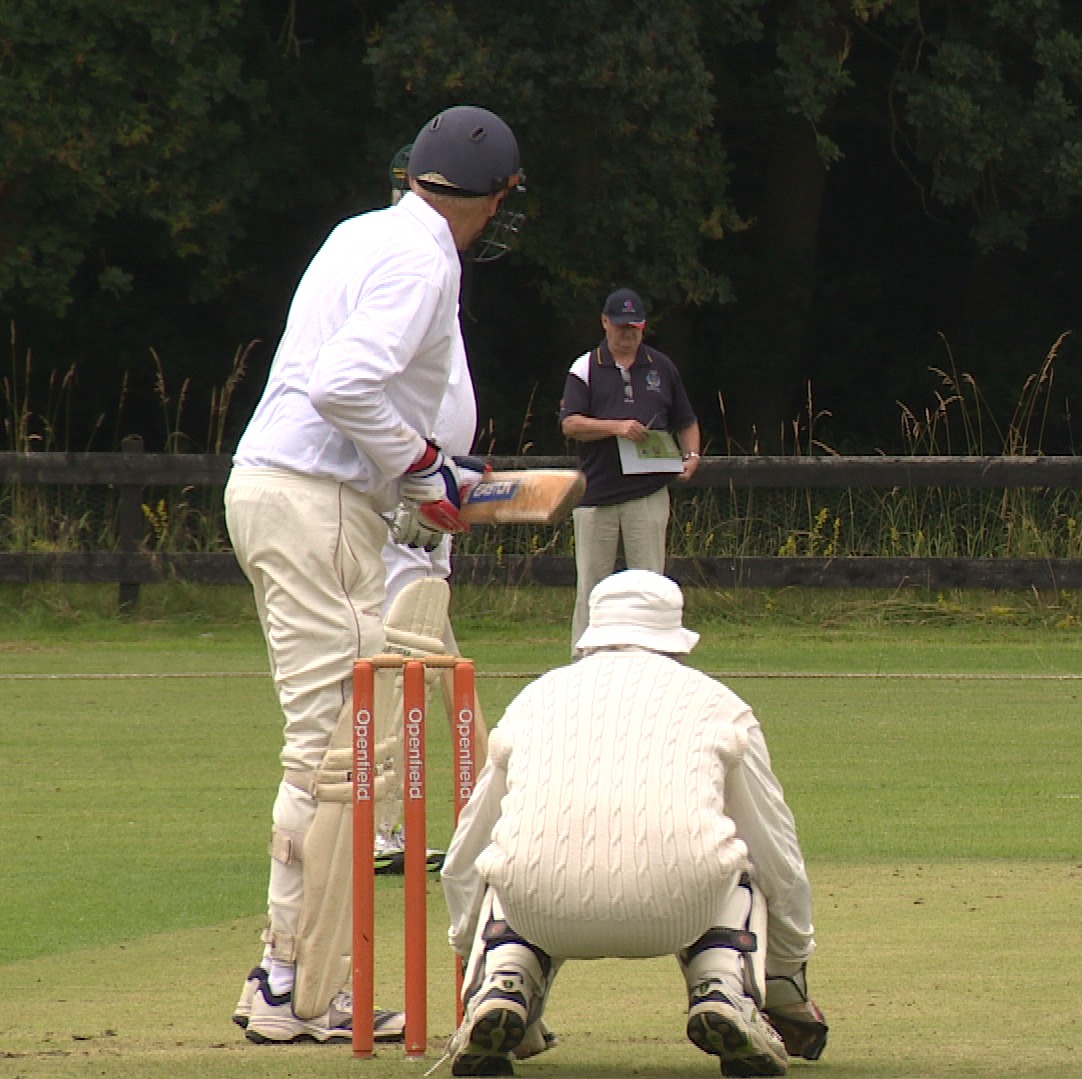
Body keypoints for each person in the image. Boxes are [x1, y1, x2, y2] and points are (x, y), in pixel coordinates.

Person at [224, 104, 523, 1044]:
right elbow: (344, 383)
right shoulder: (425, 260)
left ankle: (287, 978)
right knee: (336, 753)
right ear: (496, 196)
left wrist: (431, 473)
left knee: (334, 748)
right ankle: (295, 989)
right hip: (314, 503)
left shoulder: (363, 232)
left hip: (288, 494)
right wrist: (425, 467)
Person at [439, 570, 828, 1078]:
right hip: (682, 905)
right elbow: (775, 847)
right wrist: (787, 977)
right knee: (741, 859)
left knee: (511, 858)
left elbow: (468, 849)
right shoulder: (721, 704)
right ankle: (723, 986)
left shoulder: (533, 699)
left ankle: (503, 981)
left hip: (540, 909)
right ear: (675, 637)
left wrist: (467, 948)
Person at [559, 289, 704, 653]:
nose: (628, 333)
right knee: (593, 587)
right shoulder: (585, 367)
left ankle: (655, 658)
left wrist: (692, 455)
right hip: (596, 492)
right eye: (621, 326)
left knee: (650, 584)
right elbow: (570, 424)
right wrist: (616, 427)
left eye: (634, 326)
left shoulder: (661, 367)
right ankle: (585, 661)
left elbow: (686, 421)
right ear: (605, 323)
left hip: (648, 493)